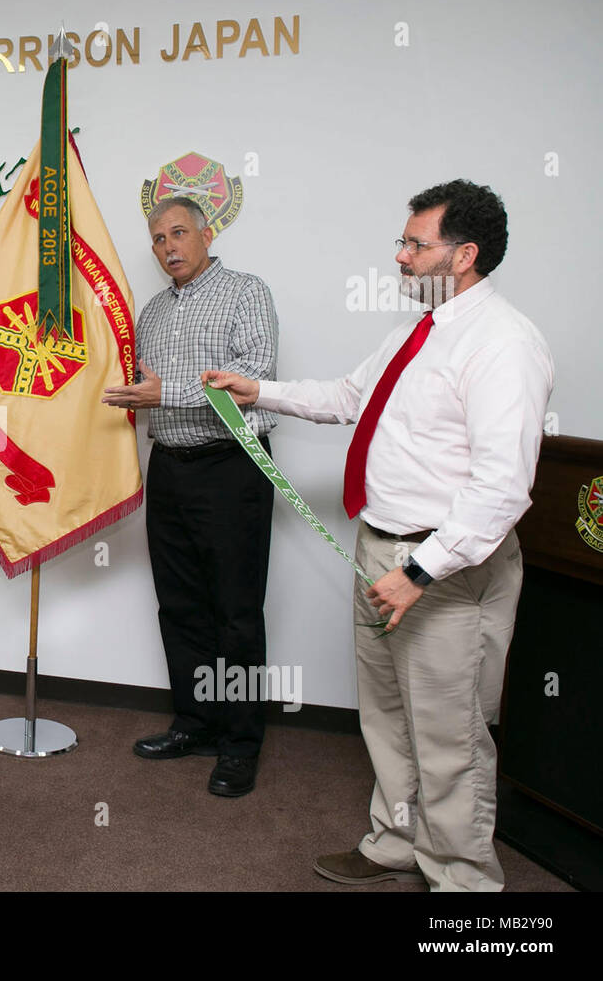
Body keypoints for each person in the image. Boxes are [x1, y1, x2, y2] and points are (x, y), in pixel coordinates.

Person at [205, 179, 554, 890]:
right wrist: (258, 390)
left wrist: (419, 572)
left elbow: (501, 489)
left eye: (414, 244)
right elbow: (347, 398)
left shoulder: (505, 345)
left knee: (451, 738)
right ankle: (396, 842)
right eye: (402, 241)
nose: (399, 257)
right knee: (389, 718)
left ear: (464, 255)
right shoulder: (415, 333)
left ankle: (463, 883)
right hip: (380, 551)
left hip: (445, 573)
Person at [103, 196, 278, 797]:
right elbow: (142, 390)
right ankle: (197, 722)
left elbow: (252, 383)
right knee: (179, 605)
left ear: (206, 234)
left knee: (235, 610)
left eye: (179, 233)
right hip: (172, 470)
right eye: (157, 239)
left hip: (232, 469)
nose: (168, 247)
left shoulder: (246, 293)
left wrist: (164, 395)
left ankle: (240, 743)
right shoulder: (150, 313)